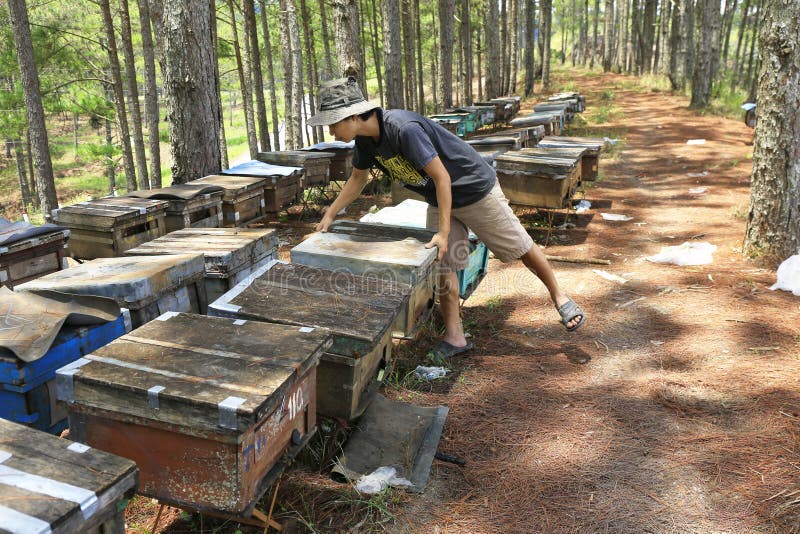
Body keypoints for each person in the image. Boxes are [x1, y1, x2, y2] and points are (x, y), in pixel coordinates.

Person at [308, 77, 585, 359]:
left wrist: (442, 233)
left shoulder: (403, 129)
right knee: (444, 264)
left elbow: (443, 177)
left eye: (333, 124)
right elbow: (358, 178)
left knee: (520, 247)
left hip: (474, 191)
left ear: (353, 116)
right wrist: (329, 215)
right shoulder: (365, 141)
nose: (331, 132)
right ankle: (455, 337)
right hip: (439, 199)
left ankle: (559, 297)